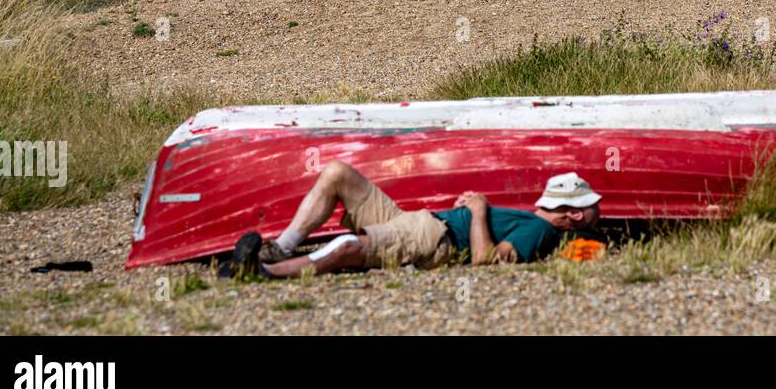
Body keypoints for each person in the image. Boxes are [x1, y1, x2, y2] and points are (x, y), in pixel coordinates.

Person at [222, 163, 602, 279]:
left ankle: (264, 272)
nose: (597, 210)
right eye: (593, 205)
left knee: (352, 247)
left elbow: (485, 259)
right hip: (420, 222)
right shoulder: (536, 223)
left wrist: (478, 211)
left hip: (434, 238)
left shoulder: (541, 230)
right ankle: (280, 248)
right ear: (575, 212)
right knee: (337, 173)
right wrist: (474, 211)